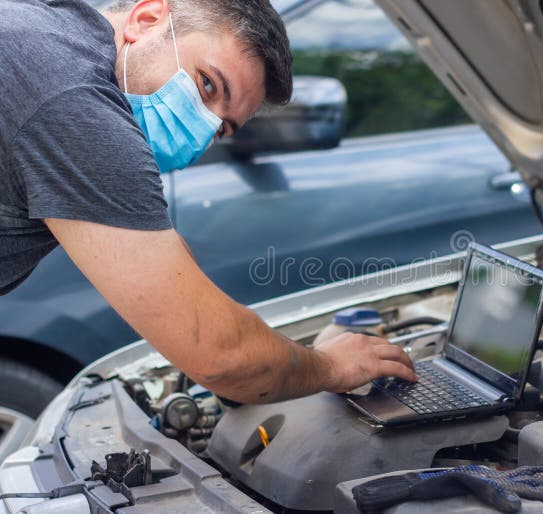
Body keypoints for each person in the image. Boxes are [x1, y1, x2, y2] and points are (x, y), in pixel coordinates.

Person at [0, 0, 416, 404]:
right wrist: (330, 366)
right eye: (207, 84)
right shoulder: (78, 106)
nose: (203, 129)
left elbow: (165, 258)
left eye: (221, 129)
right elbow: (223, 358)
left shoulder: (39, 30)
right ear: (146, 19)